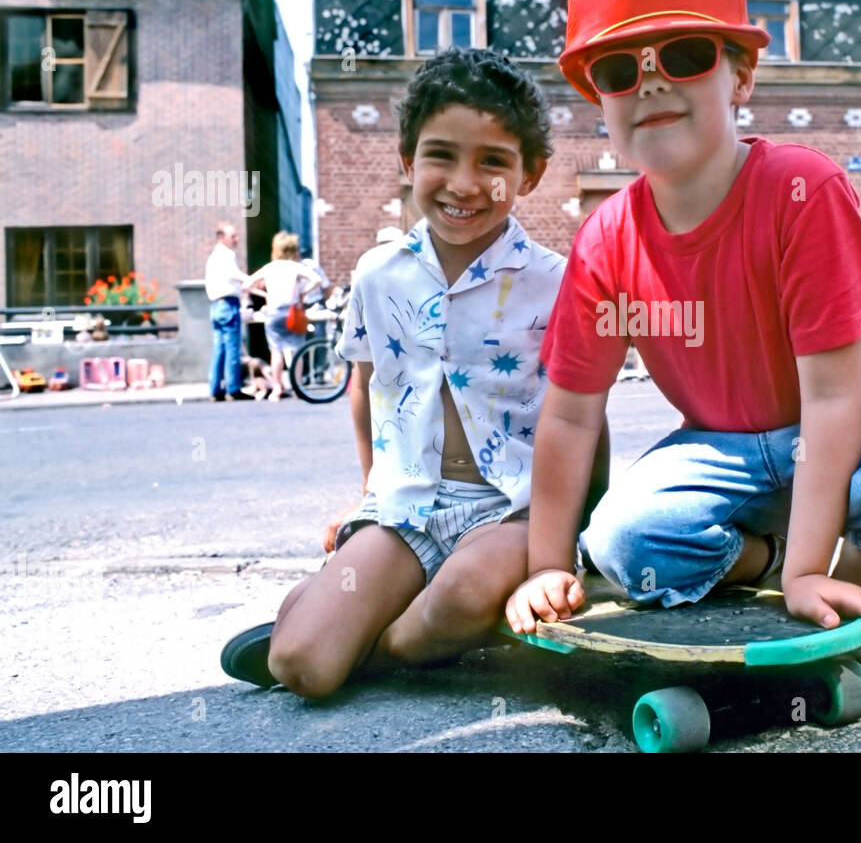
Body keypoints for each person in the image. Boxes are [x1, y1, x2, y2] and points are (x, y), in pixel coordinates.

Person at [505, 0, 861, 702]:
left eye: (682, 53)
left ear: (740, 76)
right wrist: (548, 564)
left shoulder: (800, 187)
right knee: (620, 540)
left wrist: (814, 569)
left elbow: (835, 400)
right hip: (724, 450)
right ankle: (771, 567)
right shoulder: (606, 237)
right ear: (597, 99)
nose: (650, 84)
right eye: (618, 70)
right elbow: (572, 417)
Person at [220, 47, 593, 699]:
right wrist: (366, 494)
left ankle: (382, 643)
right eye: (441, 155)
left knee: (462, 595)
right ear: (407, 160)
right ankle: (343, 620)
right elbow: (365, 388)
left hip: (509, 511)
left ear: (530, 174)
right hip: (405, 508)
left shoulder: (555, 282)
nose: (465, 182)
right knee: (300, 666)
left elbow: (583, 417)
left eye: (494, 162)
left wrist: (572, 539)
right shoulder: (377, 273)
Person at [241, 232, 322, 400]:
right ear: (292, 250)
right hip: (292, 312)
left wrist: (265, 295)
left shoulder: (270, 267)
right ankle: (297, 385)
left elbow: (247, 284)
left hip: (273, 313)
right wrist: (303, 293)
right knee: (297, 349)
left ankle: (277, 387)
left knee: (276, 351)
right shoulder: (295, 267)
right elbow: (317, 279)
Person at [203, 223, 253, 401]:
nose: (237, 239)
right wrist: (252, 280)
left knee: (219, 349)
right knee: (232, 347)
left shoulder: (213, 257)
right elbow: (234, 274)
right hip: (228, 304)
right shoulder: (226, 255)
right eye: (233, 236)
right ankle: (233, 388)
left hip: (215, 305)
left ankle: (215, 390)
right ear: (221, 238)